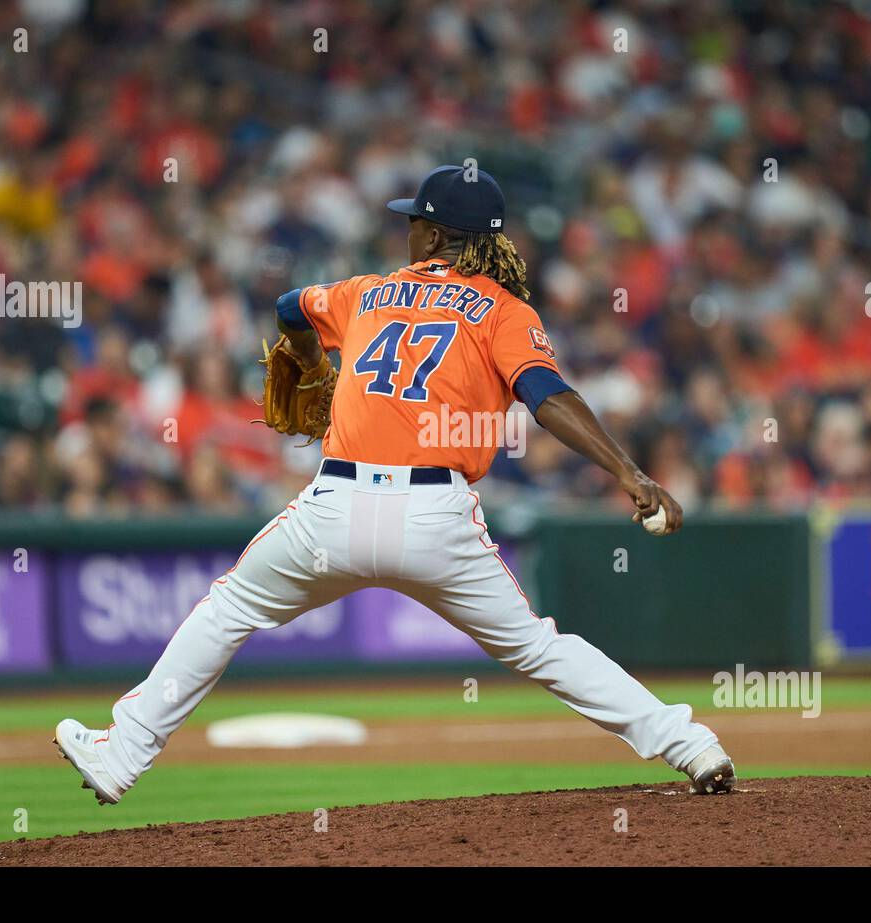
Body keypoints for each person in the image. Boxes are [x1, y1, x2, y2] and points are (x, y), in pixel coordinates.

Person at [54, 165, 735, 803]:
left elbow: (291, 305)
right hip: (434, 518)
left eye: (415, 221)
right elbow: (546, 395)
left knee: (229, 610)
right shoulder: (502, 311)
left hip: (335, 511)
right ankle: (690, 745)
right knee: (538, 648)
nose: (406, 229)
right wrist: (629, 472)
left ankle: (124, 754)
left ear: (436, 235)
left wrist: (304, 352)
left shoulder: (367, 292)